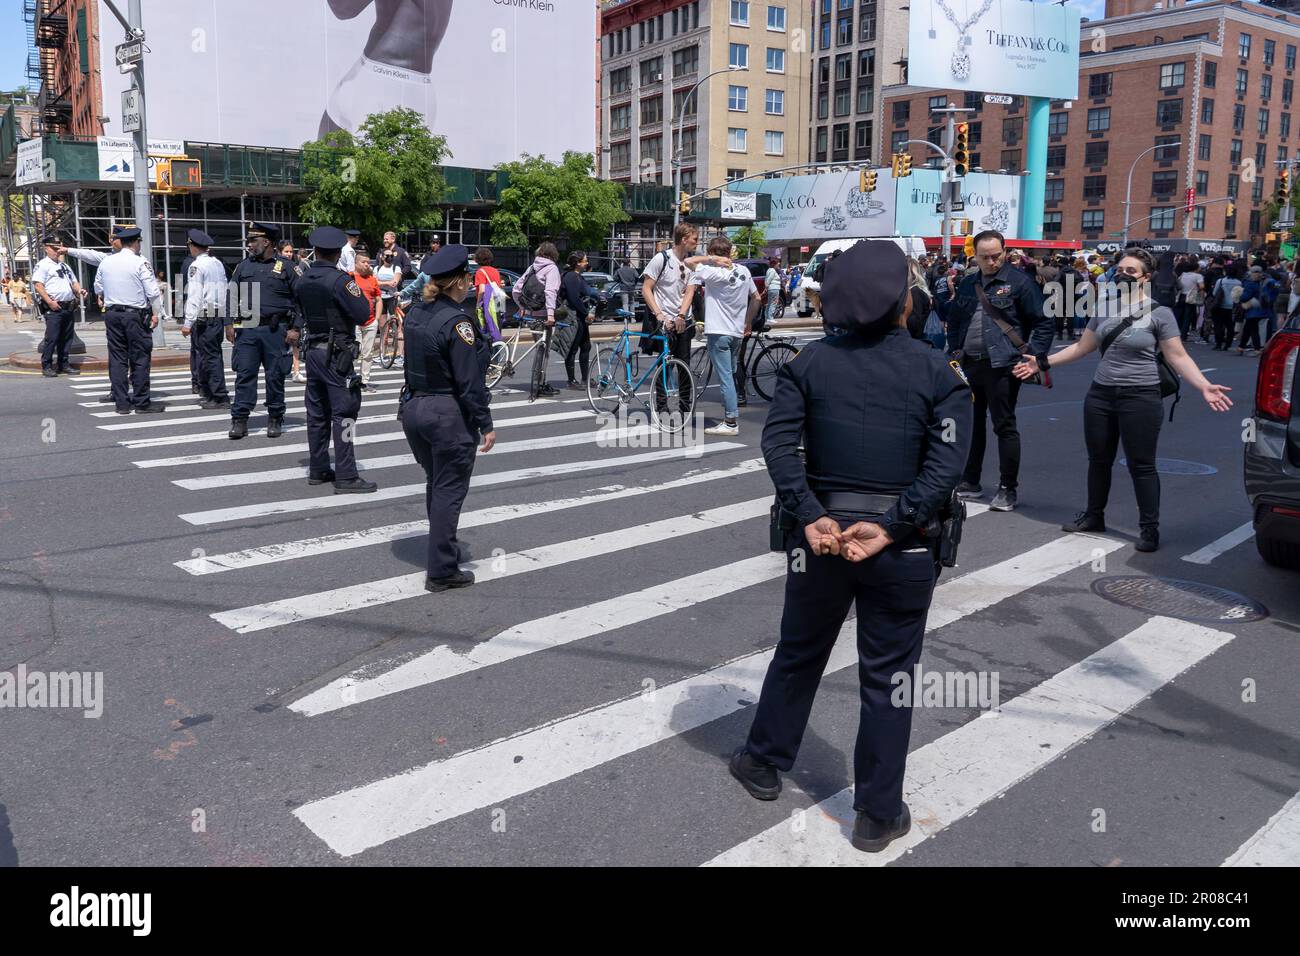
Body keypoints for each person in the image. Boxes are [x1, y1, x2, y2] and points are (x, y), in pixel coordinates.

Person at [729, 239, 972, 854]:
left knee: (799, 653)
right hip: (903, 547)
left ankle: (762, 761)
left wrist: (811, 516)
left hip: (820, 542)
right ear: (902, 302)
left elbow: (778, 447)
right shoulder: (939, 373)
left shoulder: (809, 364)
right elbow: (946, 467)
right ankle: (876, 814)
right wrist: (893, 525)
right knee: (889, 678)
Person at [1013, 248, 1232, 552]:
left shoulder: (1160, 313)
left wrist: (1204, 386)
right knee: (1098, 461)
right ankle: (1094, 516)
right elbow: (1081, 347)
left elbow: (1178, 356)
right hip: (1101, 395)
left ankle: (1149, 529)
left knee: (1142, 465)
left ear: (1146, 276)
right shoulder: (1103, 307)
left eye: (1132, 271)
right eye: (1121, 269)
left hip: (1141, 397)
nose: (1123, 274)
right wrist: (1042, 362)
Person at [401, 243, 496, 592]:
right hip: (445, 413)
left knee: (436, 482)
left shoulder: (416, 311)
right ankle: (441, 569)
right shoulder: (458, 322)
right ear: (458, 281)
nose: (470, 283)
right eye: (467, 277)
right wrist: (485, 423)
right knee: (449, 489)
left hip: (414, 409)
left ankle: (445, 550)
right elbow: (469, 382)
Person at [945, 229, 1052, 512]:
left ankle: (1007, 488)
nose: (992, 261)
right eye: (985, 257)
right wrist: (955, 350)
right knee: (973, 424)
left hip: (1004, 365)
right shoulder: (969, 284)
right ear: (975, 256)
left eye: (996, 255)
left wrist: (1032, 358)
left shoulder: (1021, 283)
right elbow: (955, 319)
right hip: (970, 364)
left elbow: (1043, 322)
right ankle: (971, 480)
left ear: (1005, 252)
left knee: (1004, 425)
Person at [293, 226, 377, 493]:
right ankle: (347, 474)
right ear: (339, 252)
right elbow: (364, 313)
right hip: (336, 354)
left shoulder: (303, 280)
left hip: (313, 352)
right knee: (345, 414)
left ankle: (318, 468)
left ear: (316, 251)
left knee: (316, 414)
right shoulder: (342, 281)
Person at [319, 0, 450, 136]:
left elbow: (343, 8)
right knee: (317, 154)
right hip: (376, 78)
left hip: (388, 90)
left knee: (319, 155)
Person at [679, 236, 761, 435]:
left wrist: (710, 260)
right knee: (730, 376)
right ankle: (731, 414)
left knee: (725, 378)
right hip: (736, 333)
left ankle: (731, 422)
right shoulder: (744, 271)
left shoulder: (714, 272)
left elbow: (687, 261)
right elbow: (756, 298)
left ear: (714, 253)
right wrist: (747, 321)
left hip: (719, 332)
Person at [641, 223, 725, 416]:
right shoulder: (661, 259)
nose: (697, 242)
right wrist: (660, 315)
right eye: (695, 239)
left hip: (682, 321)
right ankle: (661, 407)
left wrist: (681, 315)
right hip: (664, 321)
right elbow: (646, 289)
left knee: (684, 366)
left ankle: (685, 409)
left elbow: (690, 292)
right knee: (666, 366)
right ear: (684, 239)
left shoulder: (690, 264)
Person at [227, 222, 301, 440]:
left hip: (276, 330)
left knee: (275, 376)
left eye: (253, 240)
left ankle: (275, 416)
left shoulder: (287, 267)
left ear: (266, 242)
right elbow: (231, 295)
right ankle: (240, 419)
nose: (249, 245)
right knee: (244, 374)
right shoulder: (243, 266)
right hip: (247, 329)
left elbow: (300, 300)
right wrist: (228, 323)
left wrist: (296, 327)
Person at [93, 226, 165, 415]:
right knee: (140, 358)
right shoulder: (140, 262)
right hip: (134, 315)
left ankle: (122, 404)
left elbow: (98, 287)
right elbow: (153, 292)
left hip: (112, 314)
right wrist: (157, 313)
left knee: (117, 359)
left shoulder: (106, 262)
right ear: (135, 242)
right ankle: (141, 402)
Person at [180, 229, 231, 408]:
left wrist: (188, 322)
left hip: (205, 317)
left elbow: (195, 296)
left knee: (209, 358)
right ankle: (212, 393)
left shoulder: (196, 266)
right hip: (216, 315)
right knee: (214, 355)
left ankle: (219, 396)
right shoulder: (217, 263)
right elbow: (224, 290)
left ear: (193, 246)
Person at [513, 241, 563, 397]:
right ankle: (540, 384)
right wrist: (550, 315)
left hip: (531, 315)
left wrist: (522, 307)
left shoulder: (532, 267)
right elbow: (550, 292)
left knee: (538, 348)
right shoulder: (552, 268)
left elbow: (516, 289)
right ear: (553, 254)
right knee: (544, 350)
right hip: (543, 316)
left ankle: (538, 382)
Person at [31, 237, 86, 376]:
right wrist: (49, 301)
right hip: (54, 307)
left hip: (68, 306)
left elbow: (74, 282)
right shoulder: (43, 265)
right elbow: (38, 284)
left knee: (67, 338)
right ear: (46, 248)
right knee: (52, 337)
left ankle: (64, 364)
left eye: (58, 248)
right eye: (54, 249)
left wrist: (80, 291)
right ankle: (47, 365)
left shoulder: (64, 266)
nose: (57, 251)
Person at [560, 251, 598, 389]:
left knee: (586, 346)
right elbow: (573, 298)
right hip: (573, 316)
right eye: (585, 261)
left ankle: (585, 378)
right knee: (572, 348)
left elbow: (585, 293)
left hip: (580, 317)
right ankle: (571, 381)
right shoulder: (570, 276)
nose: (587, 263)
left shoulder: (577, 276)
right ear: (578, 263)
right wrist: (586, 313)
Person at [352, 251, 383, 391]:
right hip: (354, 322)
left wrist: (376, 319)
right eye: (363, 262)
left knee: (368, 353)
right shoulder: (349, 277)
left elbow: (378, 299)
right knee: (353, 352)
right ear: (356, 263)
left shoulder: (372, 279)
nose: (367, 264)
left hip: (370, 321)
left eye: (368, 262)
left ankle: (364, 381)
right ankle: (351, 378)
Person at [280, 239, 308, 383]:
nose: (289, 254)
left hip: (294, 308)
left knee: (295, 341)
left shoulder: (296, 267)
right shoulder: (276, 266)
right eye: (286, 251)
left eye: (291, 251)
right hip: (281, 310)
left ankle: (296, 371)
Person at [1237, 264, 1276, 355]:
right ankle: (1241, 347)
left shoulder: (1251, 284)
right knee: (1248, 327)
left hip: (1252, 309)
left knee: (1253, 329)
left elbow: (1245, 297)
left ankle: (1257, 349)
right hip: (1263, 308)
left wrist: (1240, 296)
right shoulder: (1265, 282)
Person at [1208, 262, 1243, 351]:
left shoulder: (1221, 281)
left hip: (1219, 305)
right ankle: (1228, 344)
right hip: (1232, 307)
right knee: (1230, 326)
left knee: (1218, 325)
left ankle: (1218, 344)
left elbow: (1214, 293)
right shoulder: (1239, 283)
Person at [1175, 257, 1204, 341]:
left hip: (1181, 296)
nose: (1200, 268)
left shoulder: (1183, 274)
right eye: (1198, 267)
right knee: (1187, 317)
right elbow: (1202, 286)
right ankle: (1183, 336)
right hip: (1191, 298)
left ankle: (1176, 334)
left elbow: (1179, 284)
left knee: (1179, 316)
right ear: (1195, 268)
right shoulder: (1198, 276)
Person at [764, 257, 783, 326]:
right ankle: (770, 317)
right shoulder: (772, 271)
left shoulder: (769, 270)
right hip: (774, 288)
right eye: (778, 263)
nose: (779, 264)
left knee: (769, 303)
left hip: (771, 289)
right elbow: (769, 279)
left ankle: (766, 317)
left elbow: (767, 280)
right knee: (774, 303)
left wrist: (766, 287)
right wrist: (766, 286)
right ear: (774, 264)